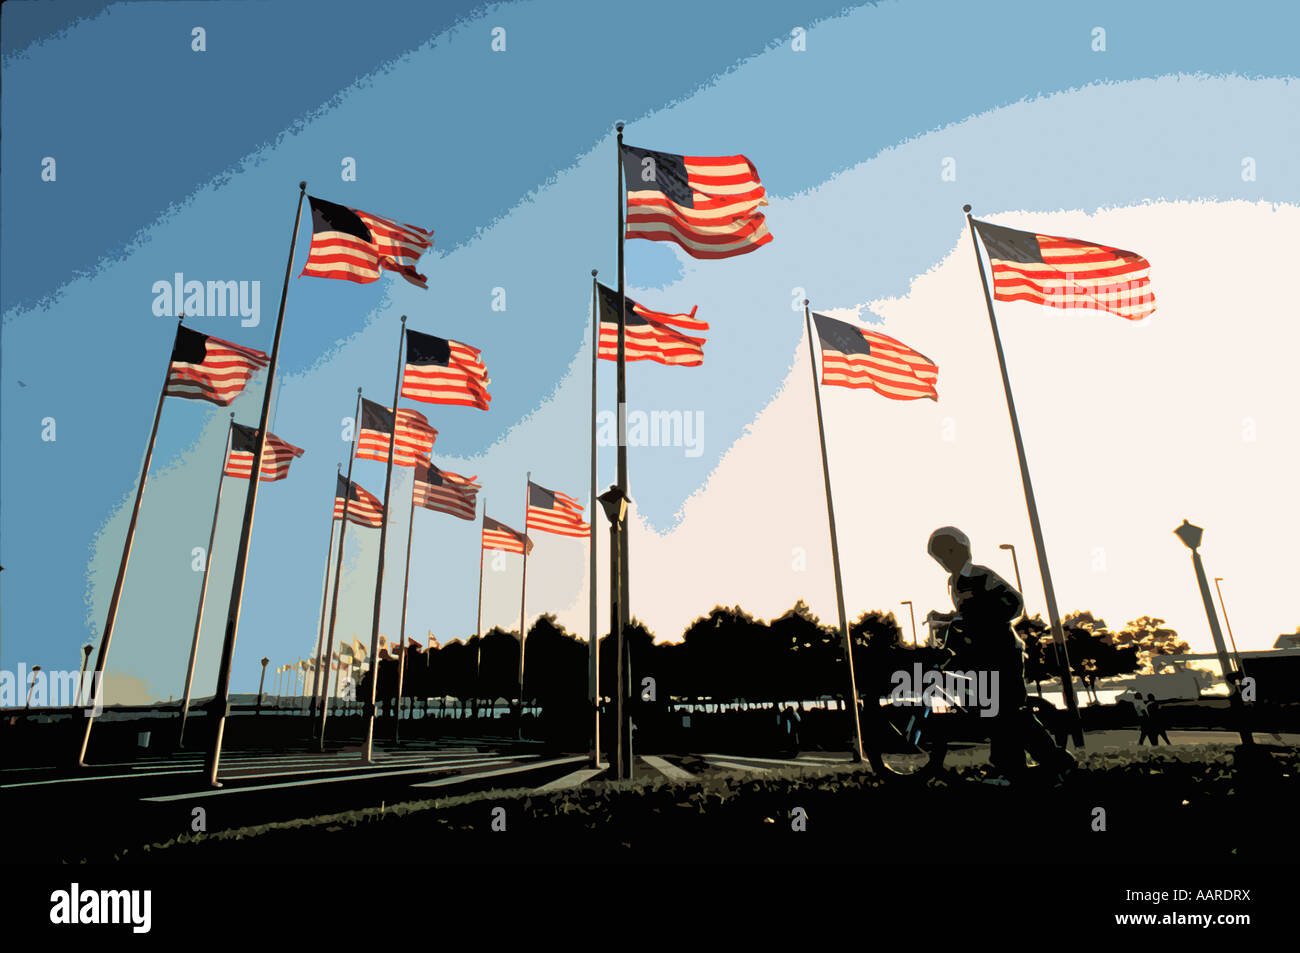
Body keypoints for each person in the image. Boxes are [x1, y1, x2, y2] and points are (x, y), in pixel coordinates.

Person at [926, 526, 1076, 782]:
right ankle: (1016, 767)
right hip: (981, 652)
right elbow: (965, 614)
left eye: (946, 552)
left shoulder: (980, 574)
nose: (943, 560)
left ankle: (1052, 762)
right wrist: (945, 618)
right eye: (938, 556)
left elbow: (1015, 603)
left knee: (1008, 712)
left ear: (961, 549)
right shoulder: (954, 581)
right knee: (998, 712)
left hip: (1003, 650)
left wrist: (984, 617)